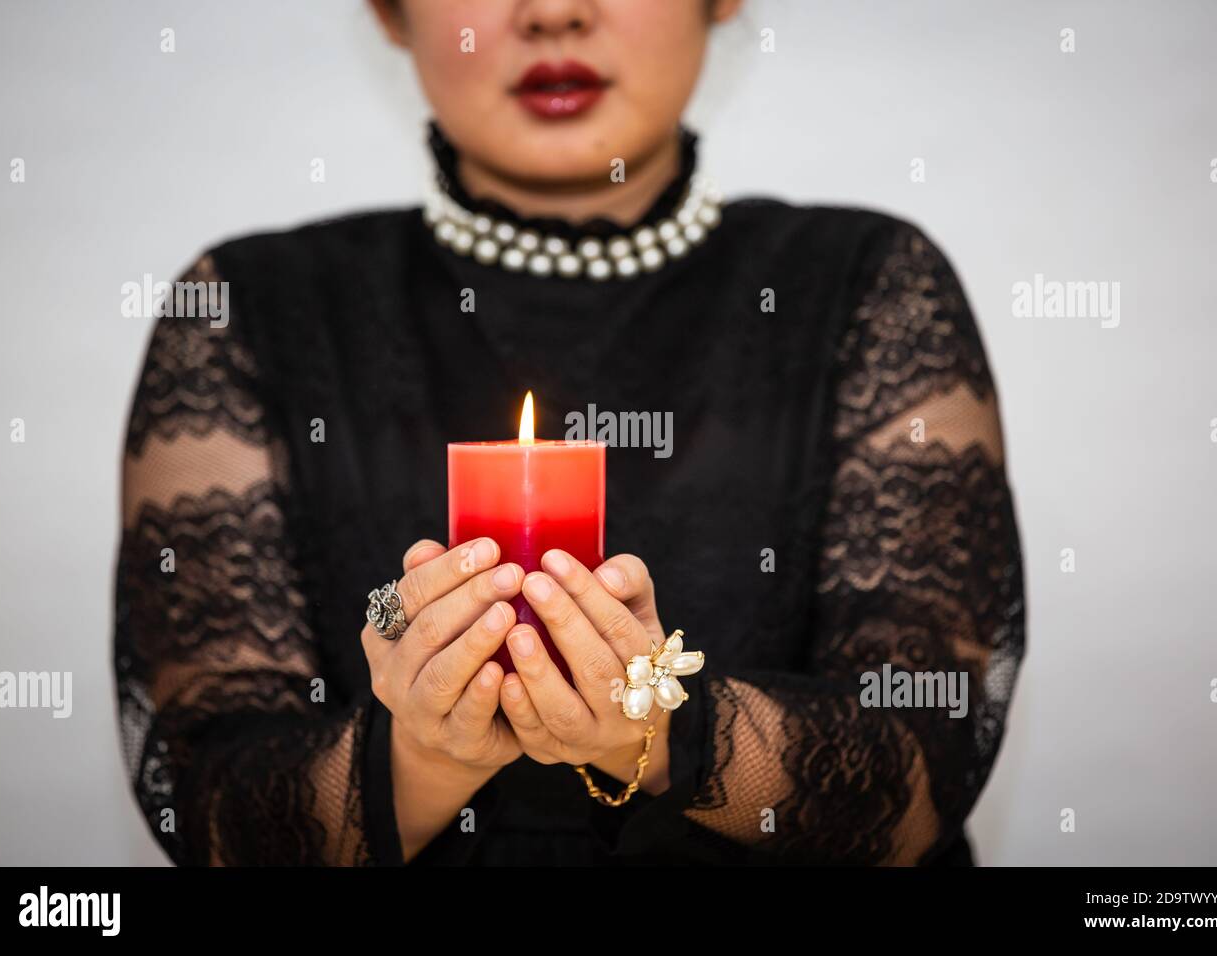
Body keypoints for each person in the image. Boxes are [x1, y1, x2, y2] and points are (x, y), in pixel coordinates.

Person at [115, 0, 1025, 865]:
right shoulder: (245, 309)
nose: (553, 11)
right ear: (390, 12)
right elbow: (210, 809)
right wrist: (426, 753)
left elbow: (917, 784)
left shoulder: (868, 288)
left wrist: (662, 723)